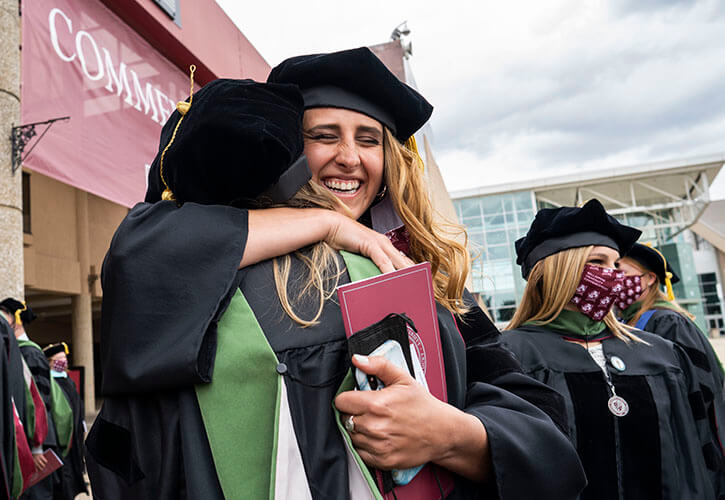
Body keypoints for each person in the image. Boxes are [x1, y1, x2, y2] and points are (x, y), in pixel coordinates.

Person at [86, 73, 585, 499]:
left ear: (390, 163)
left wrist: (451, 434)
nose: (349, 157)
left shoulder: (433, 285)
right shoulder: (218, 266)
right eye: (323, 135)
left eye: (369, 140)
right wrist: (327, 225)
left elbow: (544, 431)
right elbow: (141, 252)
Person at [500, 199, 725, 499]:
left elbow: (695, 456)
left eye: (616, 264)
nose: (613, 275)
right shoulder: (512, 355)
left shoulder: (660, 354)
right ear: (556, 271)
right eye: (598, 263)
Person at [0, 299, 56, 500]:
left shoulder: (31, 353)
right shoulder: (15, 348)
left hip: (35, 437)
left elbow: (41, 399)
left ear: (16, 321)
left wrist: (37, 444)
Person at [42, 343, 87, 499]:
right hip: (61, 438)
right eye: (59, 358)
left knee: (74, 470)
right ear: (50, 361)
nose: (64, 361)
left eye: (65, 358)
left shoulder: (68, 380)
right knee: (64, 474)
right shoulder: (47, 382)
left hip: (74, 436)